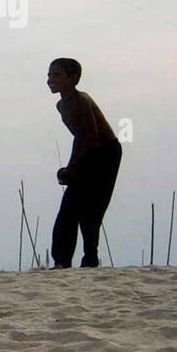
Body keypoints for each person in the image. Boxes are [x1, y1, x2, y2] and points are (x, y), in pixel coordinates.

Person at [47, 58, 121, 268]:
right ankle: (61, 261)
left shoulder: (82, 101)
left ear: (73, 79)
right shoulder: (61, 105)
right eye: (49, 75)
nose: (51, 80)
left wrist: (73, 167)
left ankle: (90, 259)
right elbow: (79, 138)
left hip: (106, 152)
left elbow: (93, 137)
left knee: (91, 210)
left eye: (57, 75)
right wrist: (70, 168)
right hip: (87, 152)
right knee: (69, 208)